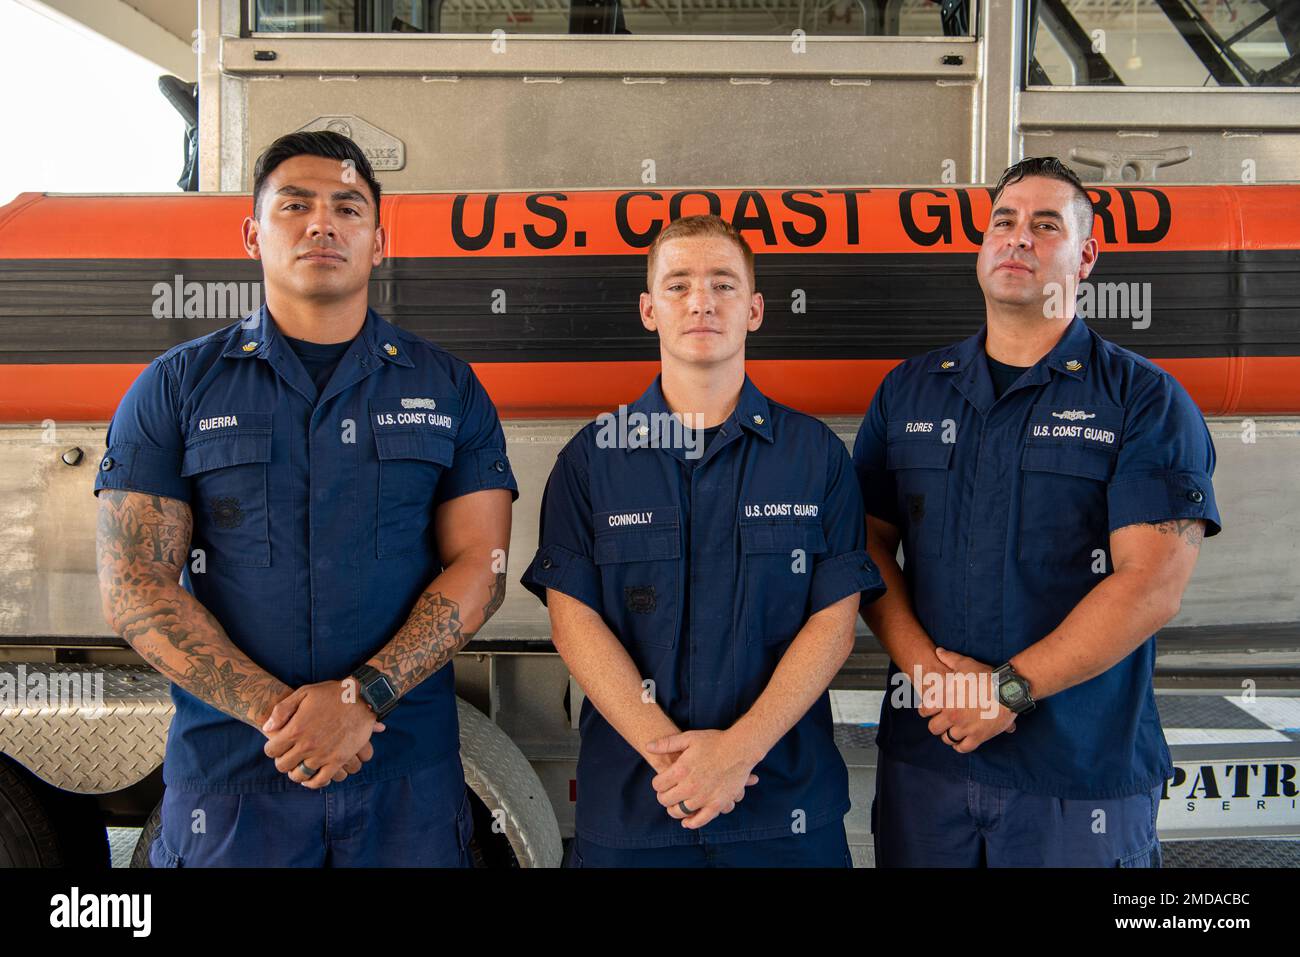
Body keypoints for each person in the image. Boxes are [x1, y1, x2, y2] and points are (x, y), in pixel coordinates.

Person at [94, 130, 516, 866]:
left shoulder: (447, 387)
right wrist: (287, 719)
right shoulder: (176, 386)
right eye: (295, 205)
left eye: (348, 208)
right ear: (252, 235)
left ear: (379, 243)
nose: (323, 224)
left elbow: (483, 564)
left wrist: (361, 700)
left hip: (402, 778)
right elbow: (135, 585)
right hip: (235, 780)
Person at [853, 156, 1221, 867]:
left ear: (1085, 257)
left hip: (1078, 779)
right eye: (1005, 221)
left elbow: (1151, 584)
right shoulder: (910, 390)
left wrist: (1007, 691)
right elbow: (864, 543)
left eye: (1046, 225)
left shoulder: (1144, 400)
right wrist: (930, 675)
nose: (1018, 237)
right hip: (929, 764)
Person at [521, 214, 885, 866]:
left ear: (754, 309)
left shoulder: (817, 456)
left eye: (723, 284)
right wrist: (679, 764)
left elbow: (834, 623)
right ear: (649, 309)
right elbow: (573, 622)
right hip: (638, 807)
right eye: (678, 284)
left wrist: (737, 752)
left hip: (783, 809)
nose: (701, 302)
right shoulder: (591, 460)